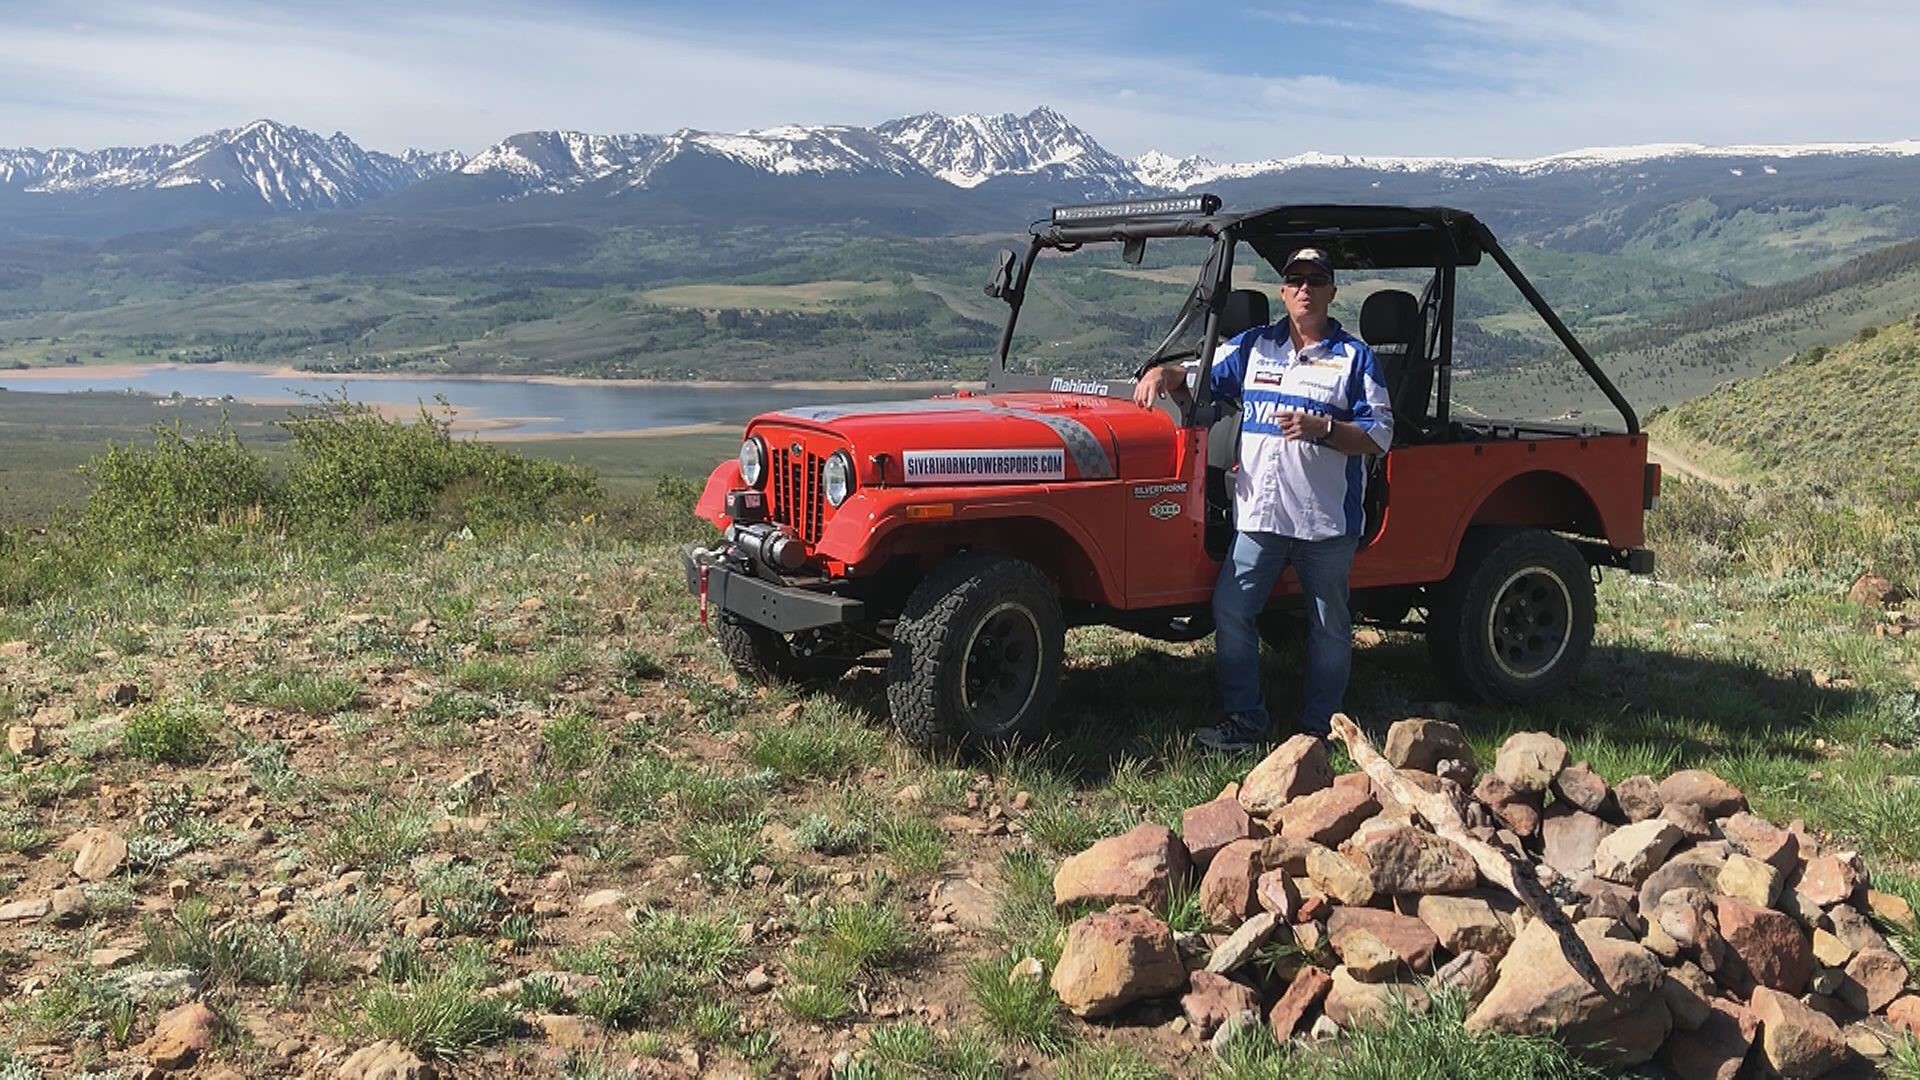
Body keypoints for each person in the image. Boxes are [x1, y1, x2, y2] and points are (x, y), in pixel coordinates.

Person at [1133, 248, 1393, 750]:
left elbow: (1379, 433)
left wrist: (1326, 429)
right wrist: (1166, 374)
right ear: (1282, 290)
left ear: (1332, 291)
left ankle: (1321, 732)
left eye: (1316, 279)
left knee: (1329, 629)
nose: (1305, 288)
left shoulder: (1353, 358)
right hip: (1261, 516)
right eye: (1295, 279)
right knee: (1231, 610)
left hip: (1325, 522)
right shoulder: (1256, 347)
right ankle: (1245, 723)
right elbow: (1204, 374)